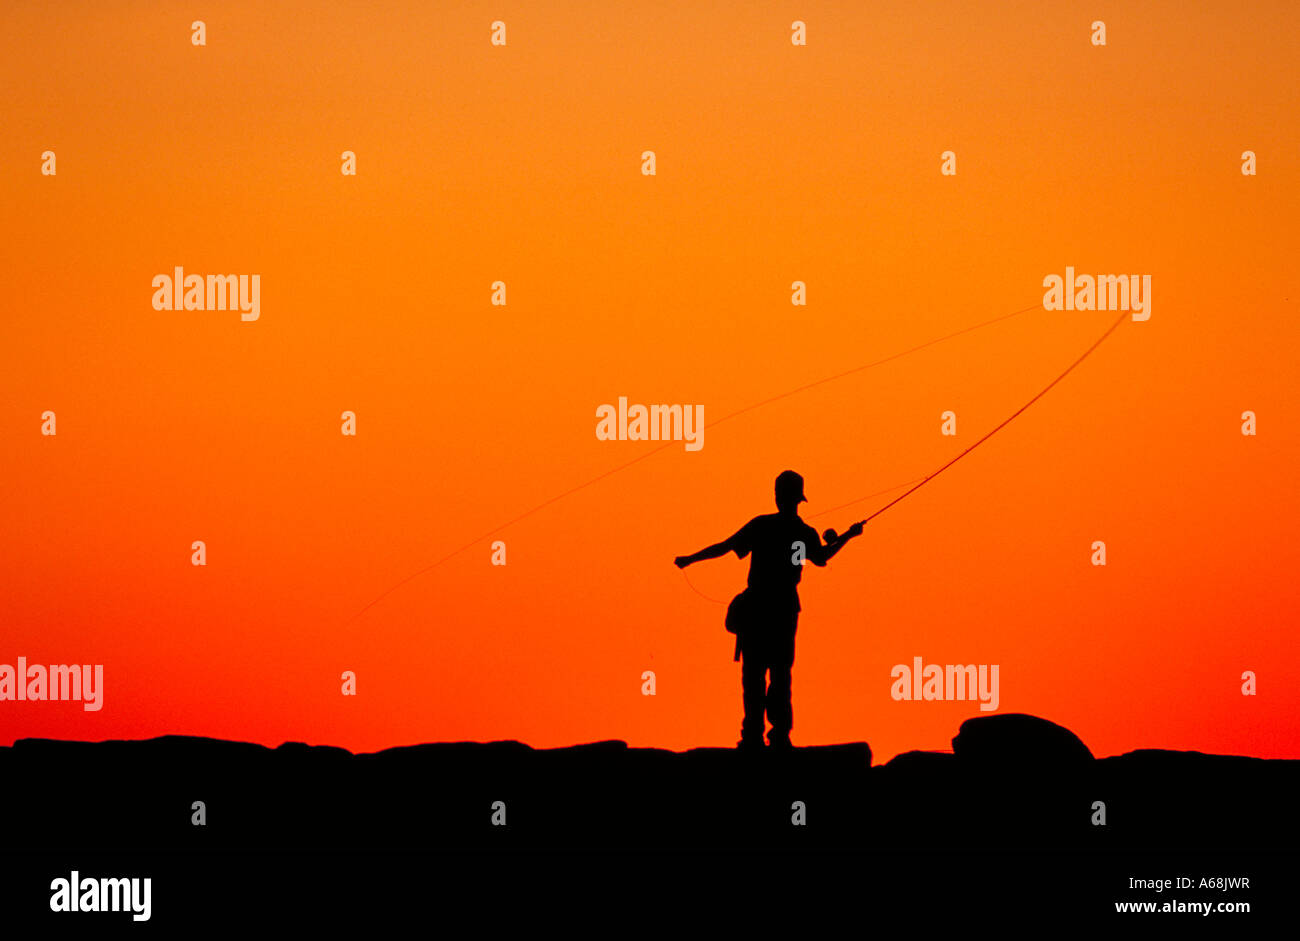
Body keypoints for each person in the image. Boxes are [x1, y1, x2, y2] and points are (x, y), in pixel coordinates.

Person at [675, 470, 864, 749]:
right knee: (779, 672)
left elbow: (725, 547)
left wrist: (691, 559)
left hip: (759, 608)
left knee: (754, 673)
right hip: (784, 609)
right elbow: (821, 557)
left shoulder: (762, 527)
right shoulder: (803, 534)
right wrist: (848, 536)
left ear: (777, 496)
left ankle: (752, 735)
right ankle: (778, 736)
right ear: (799, 500)